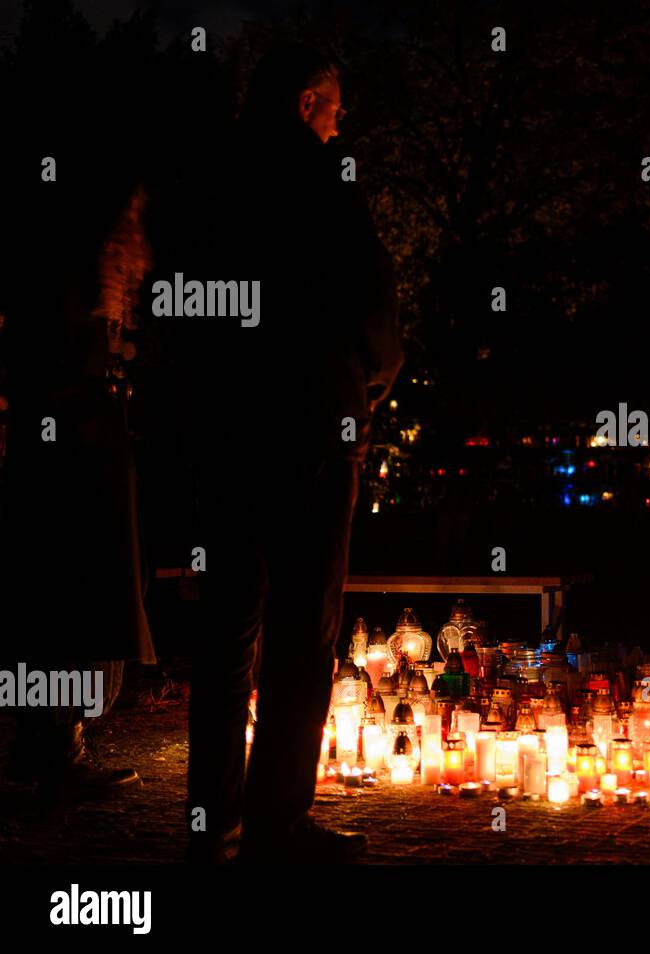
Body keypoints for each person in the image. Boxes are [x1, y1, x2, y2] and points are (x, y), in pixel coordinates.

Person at [172, 46, 403, 863]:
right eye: (336, 109)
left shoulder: (208, 182)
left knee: (229, 624)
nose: (342, 124)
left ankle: (213, 817)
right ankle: (278, 821)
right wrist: (365, 386)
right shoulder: (322, 179)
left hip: (229, 431)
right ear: (307, 102)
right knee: (306, 629)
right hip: (311, 424)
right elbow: (373, 301)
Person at [0, 84, 156, 796]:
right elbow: (86, 333)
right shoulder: (86, 248)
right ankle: (52, 744)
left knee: (70, 592)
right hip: (78, 438)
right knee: (72, 591)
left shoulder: (83, 242)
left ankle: (52, 739)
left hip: (80, 430)